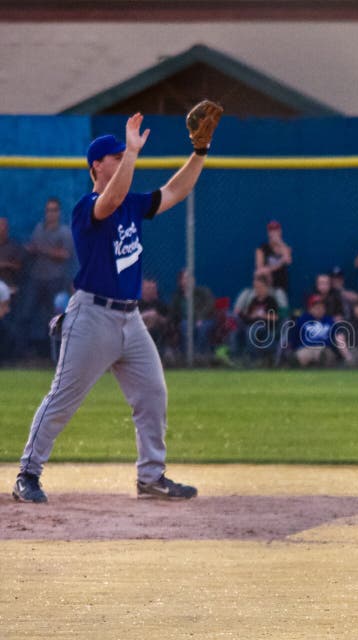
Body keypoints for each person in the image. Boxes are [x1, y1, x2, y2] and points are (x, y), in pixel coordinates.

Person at [12, 108, 221, 503]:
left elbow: (175, 191)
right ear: (97, 166)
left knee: (153, 395)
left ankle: (151, 477)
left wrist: (200, 150)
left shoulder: (133, 204)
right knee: (62, 398)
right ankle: (28, 473)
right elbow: (111, 199)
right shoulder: (87, 208)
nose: (123, 158)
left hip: (130, 319)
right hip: (91, 317)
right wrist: (134, 152)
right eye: (116, 156)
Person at [17, 198, 75, 357]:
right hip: (36, 278)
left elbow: (65, 254)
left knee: (55, 318)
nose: (51, 213)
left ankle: (57, 356)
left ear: (59, 212)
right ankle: (21, 354)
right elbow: (33, 248)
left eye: (54, 210)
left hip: (55, 280)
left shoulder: (64, 232)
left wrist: (43, 249)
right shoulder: (38, 229)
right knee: (26, 314)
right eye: (49, 210)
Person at [292, 294, 351, 367]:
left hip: (324, 348)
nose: (319, 309)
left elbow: (338, 336)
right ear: (310, 309)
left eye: (321, 306)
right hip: (306, 348)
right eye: (316, 307)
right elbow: (294, 338)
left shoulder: (329, 320)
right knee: (302, 355)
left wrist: (347, 356)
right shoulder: (302, 320)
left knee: (326, 354)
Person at [255, 220, 292, 297]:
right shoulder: (261, 249)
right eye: (272, 231)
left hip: (281, 286)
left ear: (280, 232)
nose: (274, 233)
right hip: (266, 286)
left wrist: (280, 243)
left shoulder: (285, 247)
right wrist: (281, 262)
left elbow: (288, 261)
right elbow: (260, 270)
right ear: (268, 233)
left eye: (276, 230)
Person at [138, 278, 170, 355]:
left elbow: (167, 319)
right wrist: (147, 315)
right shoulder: (137, 303)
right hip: (140, 331)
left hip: (157, 331)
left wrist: (157, 317)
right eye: (148, 288)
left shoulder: (159, 303)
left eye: (153, 288)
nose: (152, 290)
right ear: (142, 290)